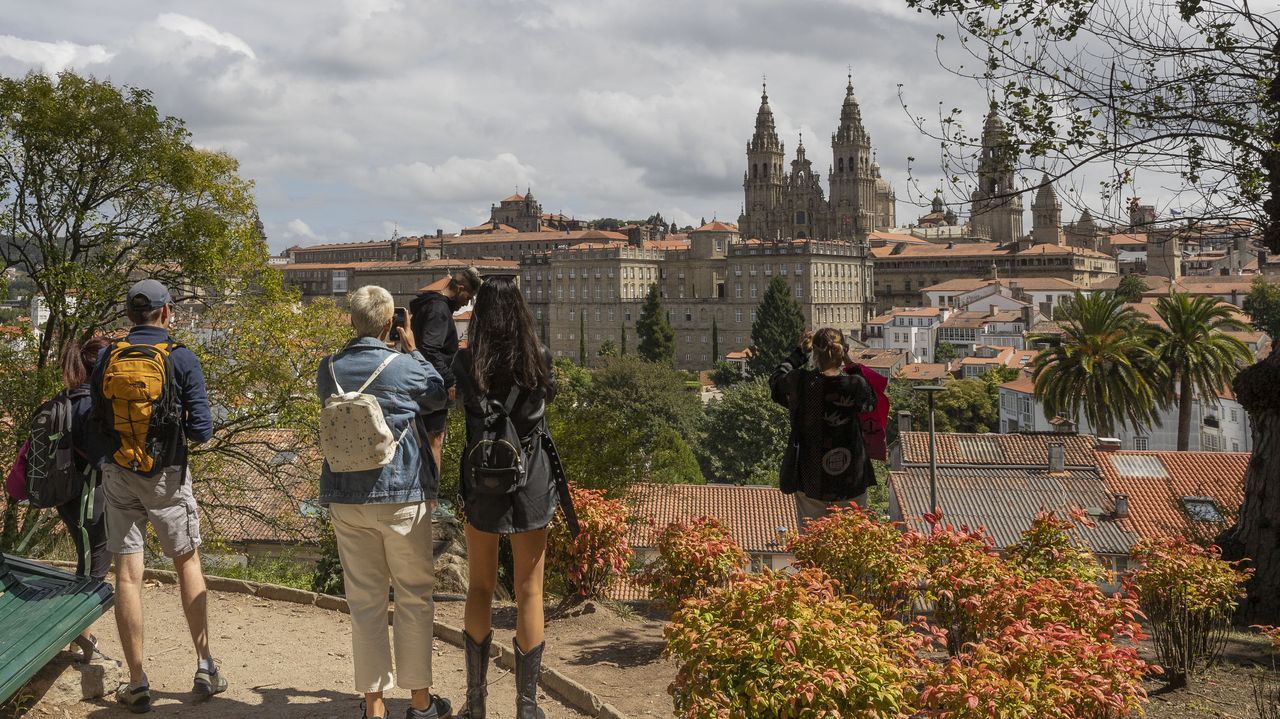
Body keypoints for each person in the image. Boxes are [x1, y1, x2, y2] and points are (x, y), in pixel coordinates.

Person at [316, 285, 451, 719]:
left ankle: (374, 705)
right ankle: (420, 702)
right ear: (392, 323)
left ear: (351, 321)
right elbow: (437, 394)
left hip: (345, 495)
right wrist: (413, 350)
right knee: (414, 596)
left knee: (365, 602)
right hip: (402, 493)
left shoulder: (328, 368)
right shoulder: (403, 366)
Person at [90, 280, 223, 713]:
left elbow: (95, 418)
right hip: (166, 476)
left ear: (130, 315)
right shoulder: (181, 357)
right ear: (167, 313)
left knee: (127, 575)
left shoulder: (108, 356)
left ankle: (137, 681)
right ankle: (204, 665)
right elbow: (202, 430)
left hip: (118, 473)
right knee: (187, 562)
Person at [451, 275, 569, 719]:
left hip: (482, 480)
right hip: (530, 481)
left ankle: (476, 702)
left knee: (480, 587)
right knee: (529, 591)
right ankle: (527, 707)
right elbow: (546, 401)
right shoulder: (540, 359)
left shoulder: (466, 363)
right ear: (520, 312)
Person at [770, 328, 878, 530]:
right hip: (851, 476)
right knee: (853, 538)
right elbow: (871, 401)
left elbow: (776, 382)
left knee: (812, 540)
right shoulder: (855, 385)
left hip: (811, 475)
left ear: (815, 353)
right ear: (842, 351)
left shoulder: (800, 382)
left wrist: (799, 354)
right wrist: (850, 363)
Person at [58, 336, 113, 660]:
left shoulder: (67, 398)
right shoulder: (91, 406)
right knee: (94, 570)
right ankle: (80, 635)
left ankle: (81, 636)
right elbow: (100, 458)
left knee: (89, 563)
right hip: (89, 500)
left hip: (69, 497)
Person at [410, 267, 482, 474]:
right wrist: (448, 379)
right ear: (460, 288)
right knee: (435, 439)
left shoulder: (429, 305)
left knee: (422, 438)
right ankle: (432, 489)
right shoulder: (439, 310)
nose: (467, 303)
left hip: (421, 379)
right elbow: (430, 348)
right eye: (468, 297)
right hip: (433, 383)